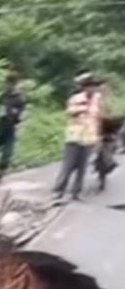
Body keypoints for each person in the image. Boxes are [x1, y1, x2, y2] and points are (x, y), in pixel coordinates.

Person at [54, 73, 105, 202]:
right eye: (89, 87)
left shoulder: (98, 100)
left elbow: (98, 119)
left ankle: (76, 192)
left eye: (94, 87)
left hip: (89, 137)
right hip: (74, 136)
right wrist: (82, 107)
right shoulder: (76, 98)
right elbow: (69, 112)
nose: (92, 89)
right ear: (84, 88)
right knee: (68, 165)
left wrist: (99, 136)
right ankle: (59, 191)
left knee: (83, 167)